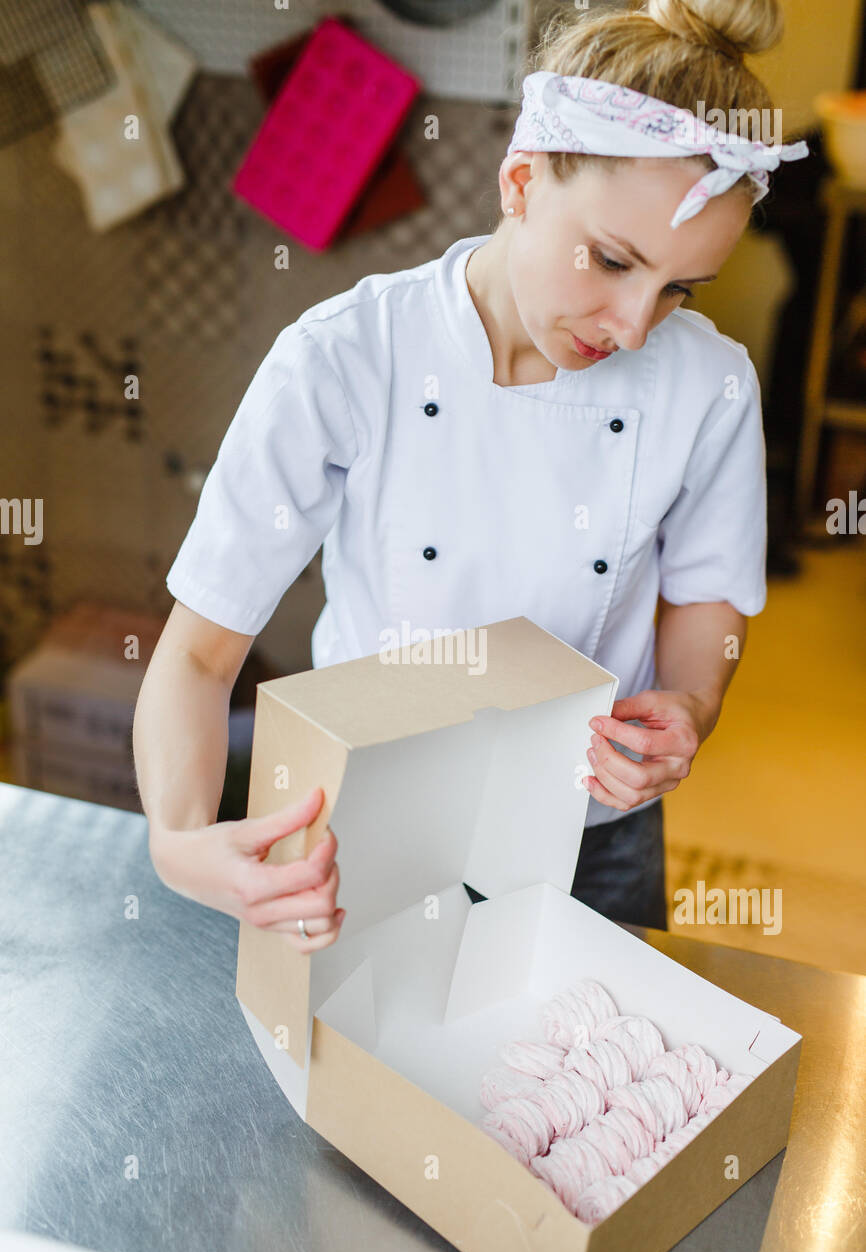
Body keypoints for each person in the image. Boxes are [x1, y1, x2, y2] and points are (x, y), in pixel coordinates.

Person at [132, 0, 809, 948]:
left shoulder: (711, 385)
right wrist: (176, 837)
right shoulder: (346, 357)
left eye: (676, 290)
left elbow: (707, 600)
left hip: (589, 836)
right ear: (521, 182)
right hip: (368, 813)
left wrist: (690, 706)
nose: (631, 325)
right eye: (612, 261)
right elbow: (200, 654)